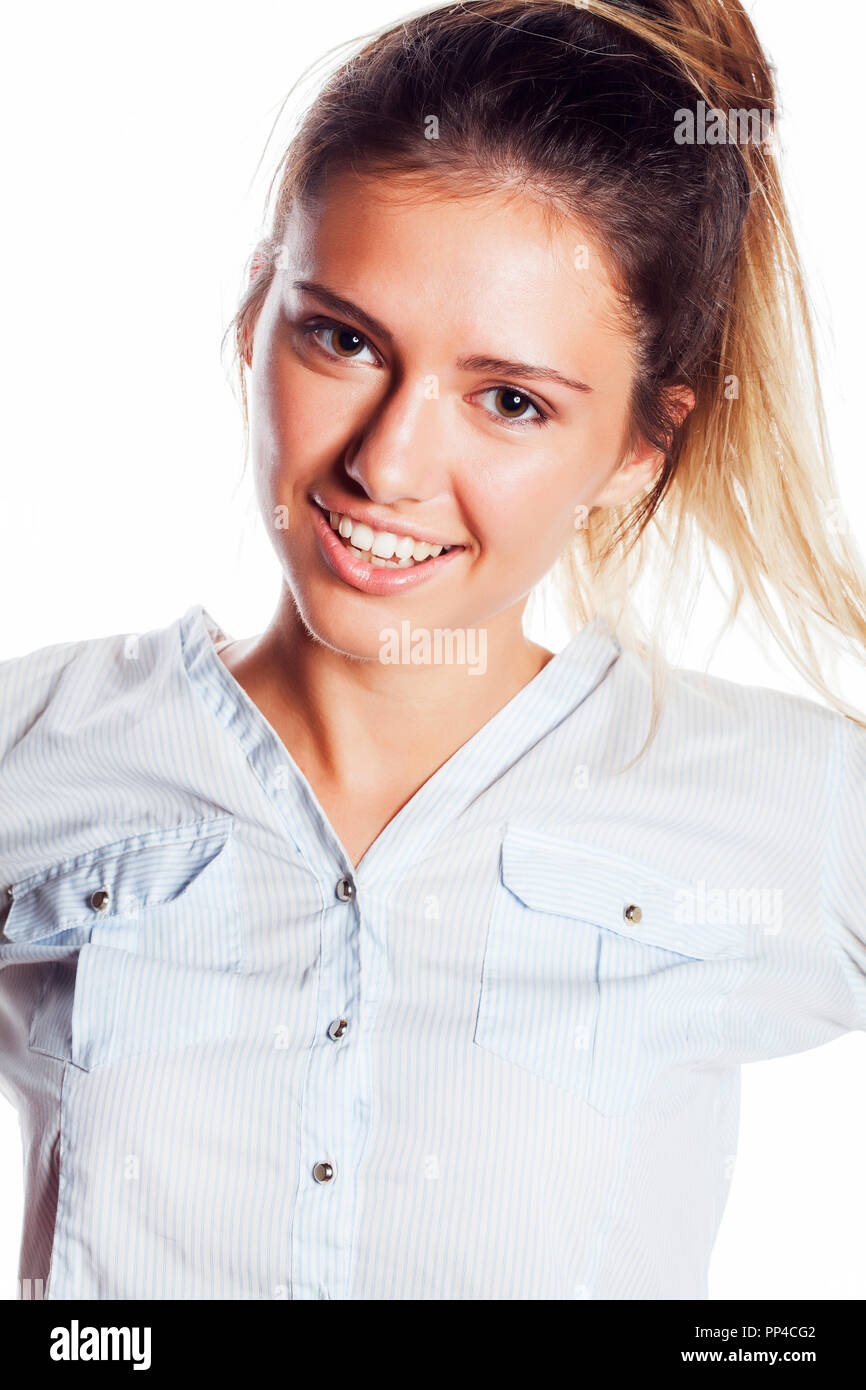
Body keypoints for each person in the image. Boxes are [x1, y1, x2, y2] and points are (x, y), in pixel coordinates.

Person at [1, 0, 864, 1301]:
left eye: (508, 400)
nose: (385, 464)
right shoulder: (40, 744)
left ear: (642, 446)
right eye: (341, 339)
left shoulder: (790, 803)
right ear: (255, 312)